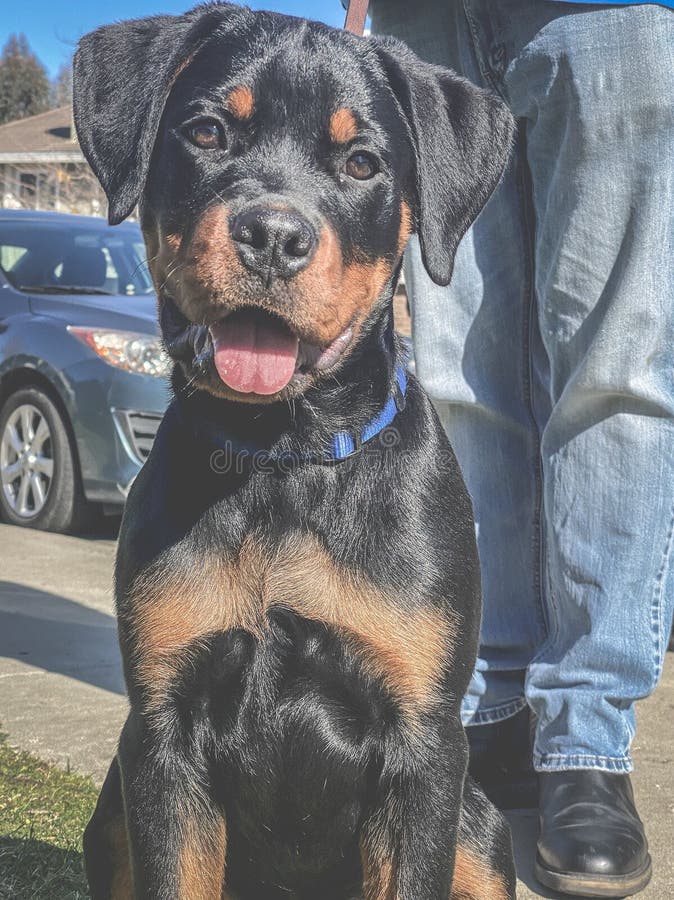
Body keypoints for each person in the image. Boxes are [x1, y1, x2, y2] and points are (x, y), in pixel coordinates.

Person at [365, 0, 674, 896]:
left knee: (616, 374)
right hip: (424, 21)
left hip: (610, 13)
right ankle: (489, 712)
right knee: (458, 383)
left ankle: (586, 740)